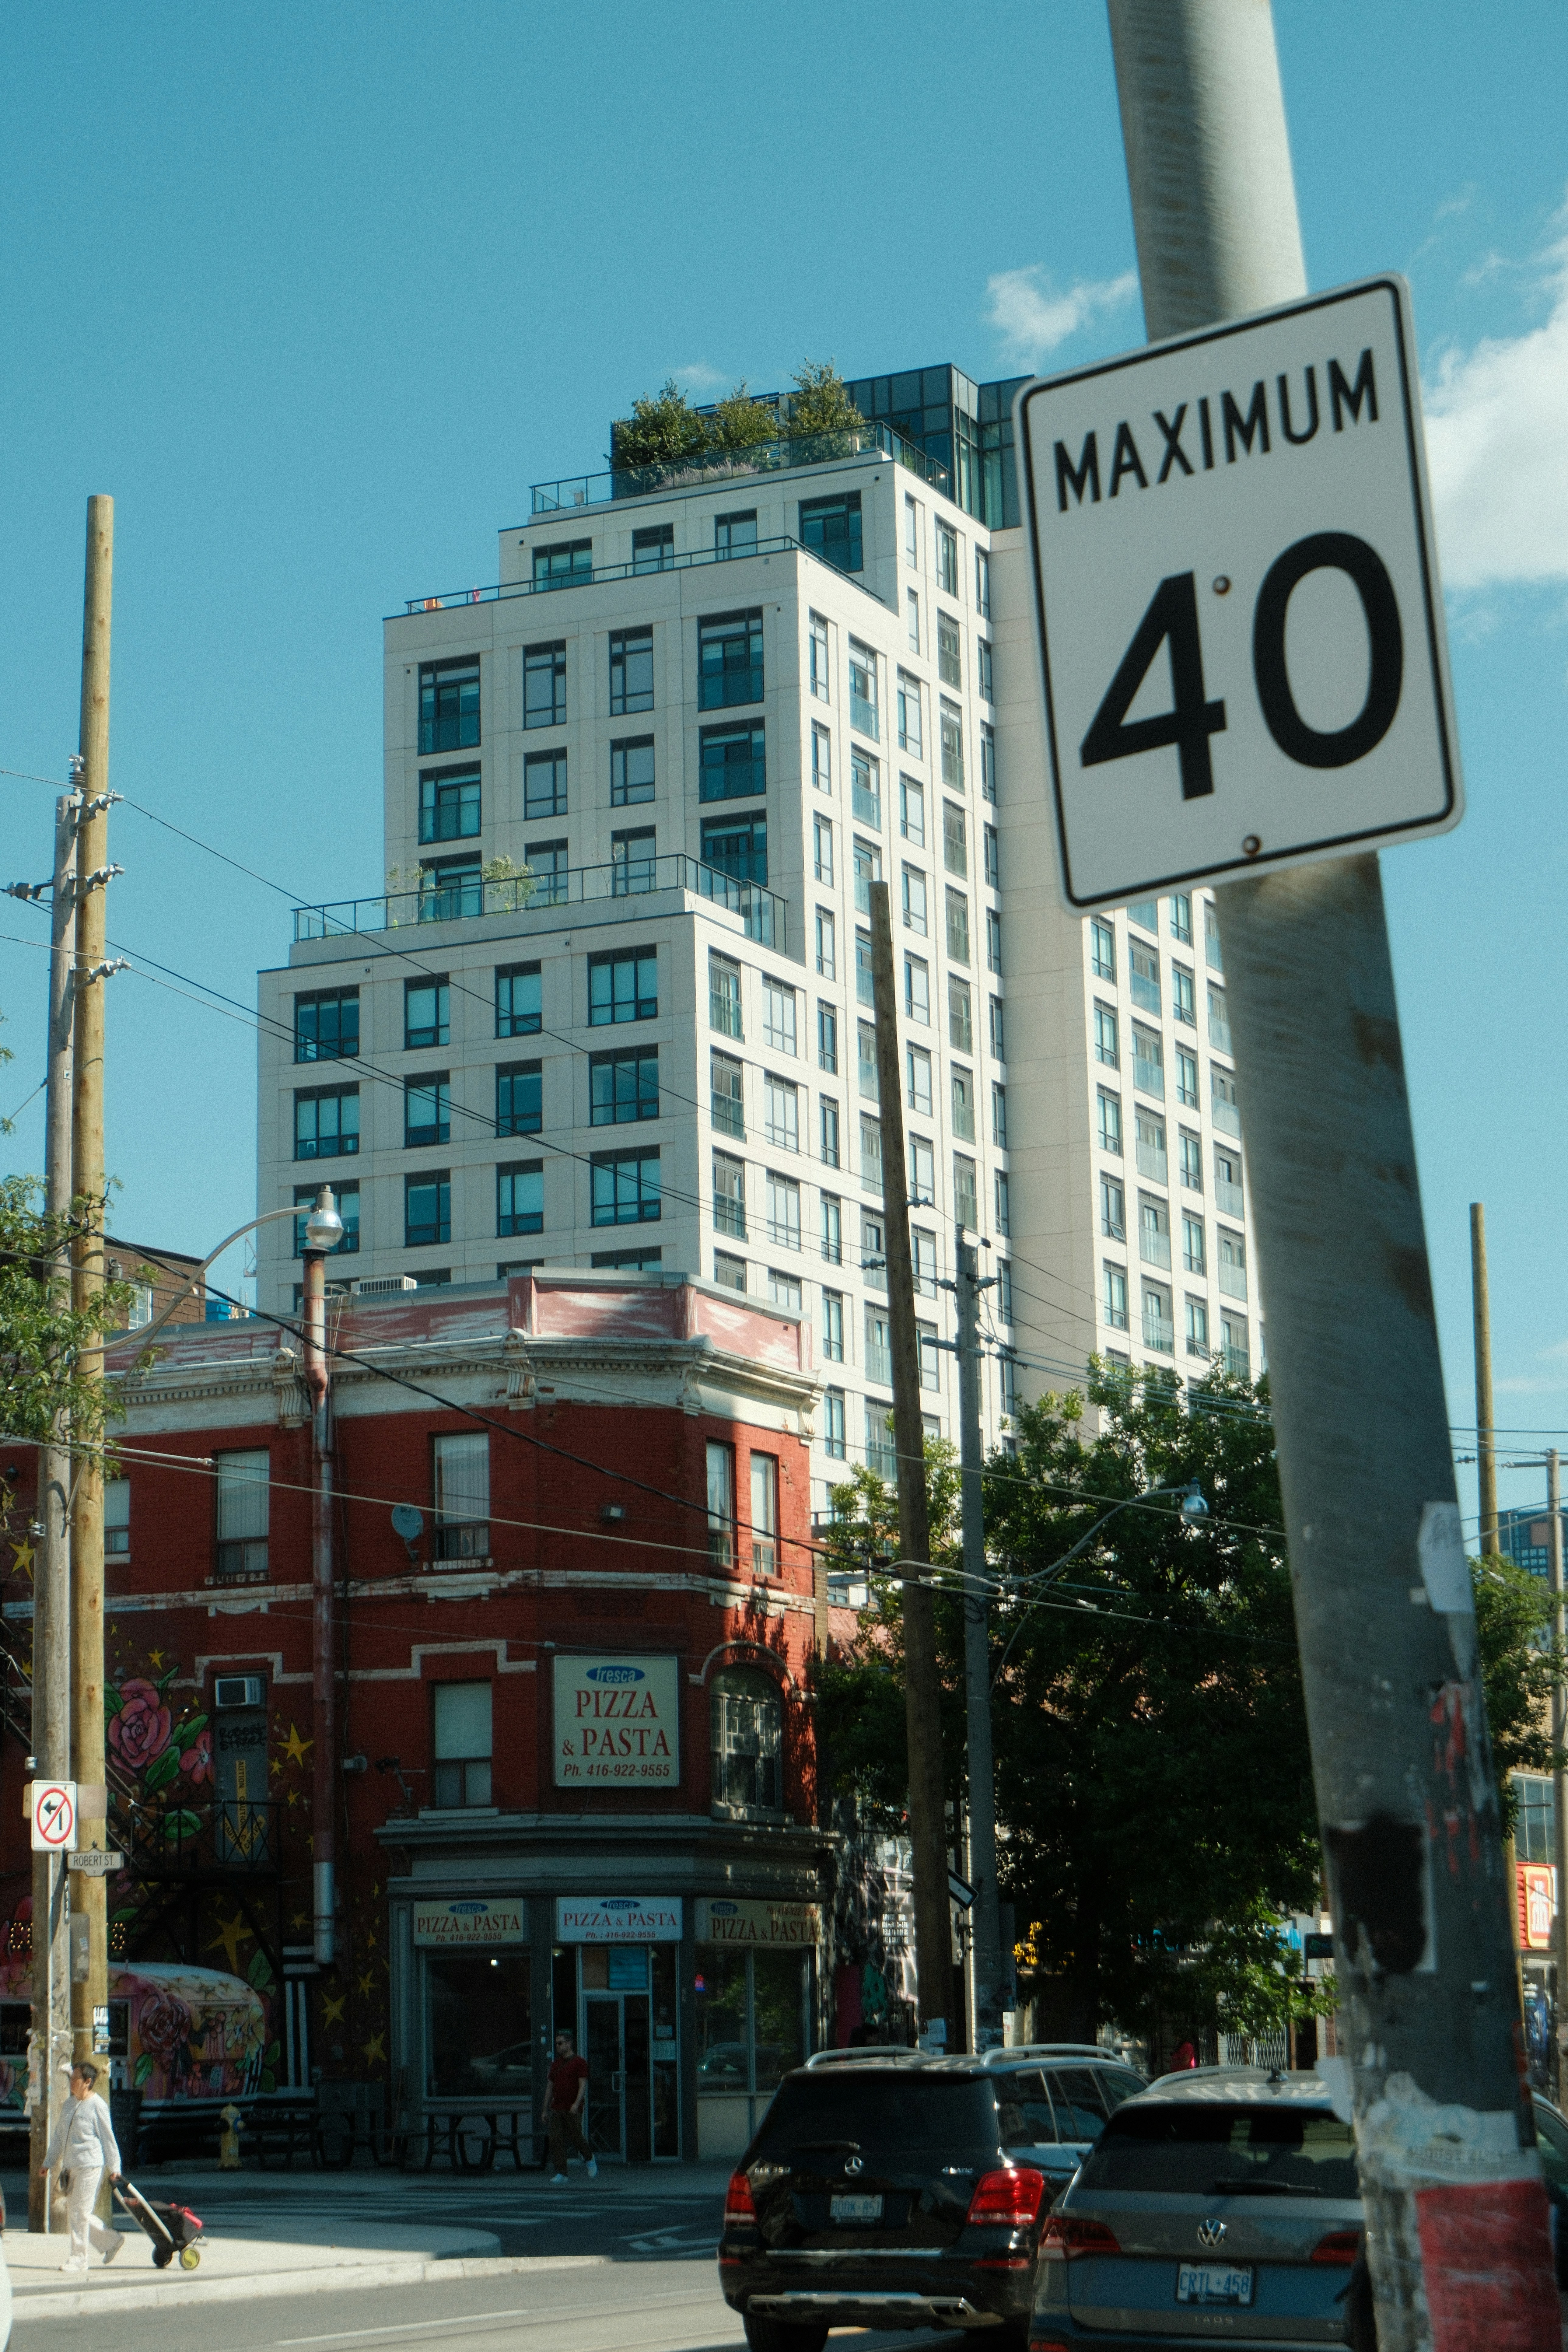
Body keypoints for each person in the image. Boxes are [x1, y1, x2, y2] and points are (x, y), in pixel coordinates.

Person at [42, 2060, 123, 2270]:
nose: (72, 2082)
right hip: (71, 2167)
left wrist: (115, 2168)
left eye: (76, 2078)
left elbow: (108, 2138)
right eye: (72, 2078)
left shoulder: (98, 2105)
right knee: (78, 2212)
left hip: (91, 2165)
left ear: (88, 2082)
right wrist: (48, 2163)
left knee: (79, 2212)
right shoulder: (69, 2104)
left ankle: (79, 2258)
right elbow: (59, 2136)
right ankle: (111, 2241)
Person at [542, 2029, 597, 2184]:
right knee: (555, 2139)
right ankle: (562, 2172)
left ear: (569, 2043)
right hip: (557, 2106)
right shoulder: (556, 2065)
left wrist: (577, 2103)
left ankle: (589, 2158)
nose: (558, 2047)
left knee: (575, 2136)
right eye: (556, 2044)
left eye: (560, 2043)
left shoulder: (580, 2062)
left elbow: (583, 2084)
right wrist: (545, 2109)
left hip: (572, 2106)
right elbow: (550, 2087)